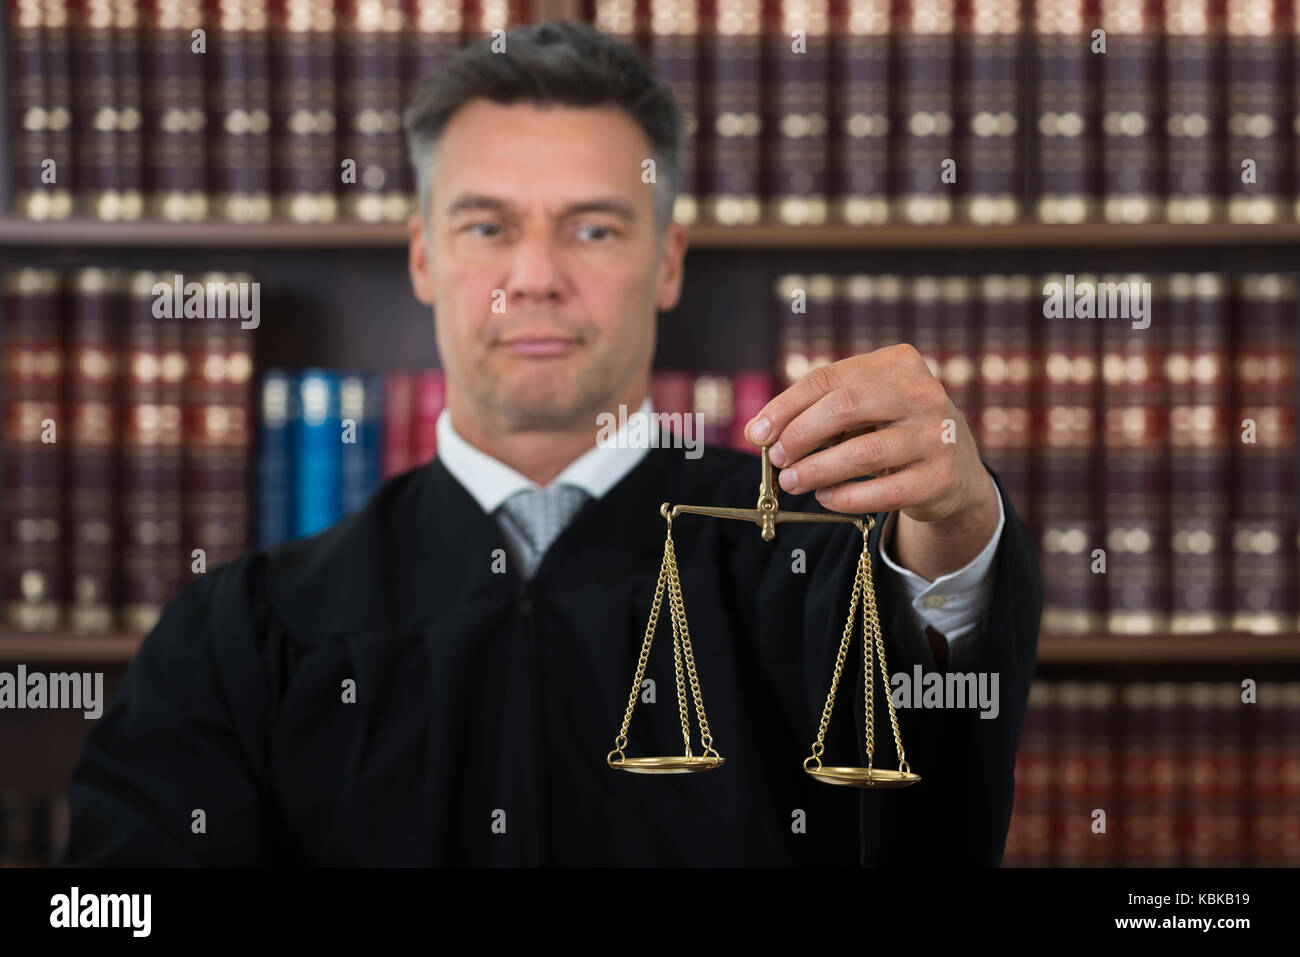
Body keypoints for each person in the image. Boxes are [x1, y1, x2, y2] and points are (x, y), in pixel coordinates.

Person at [61, 20, 1041, 866]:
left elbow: (938, 828)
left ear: (666, 263)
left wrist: (956, 527)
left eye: (594, 230)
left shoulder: (815, 562)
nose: (533, 277)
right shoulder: (241, 635)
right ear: (423, 257)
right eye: (487, 226)